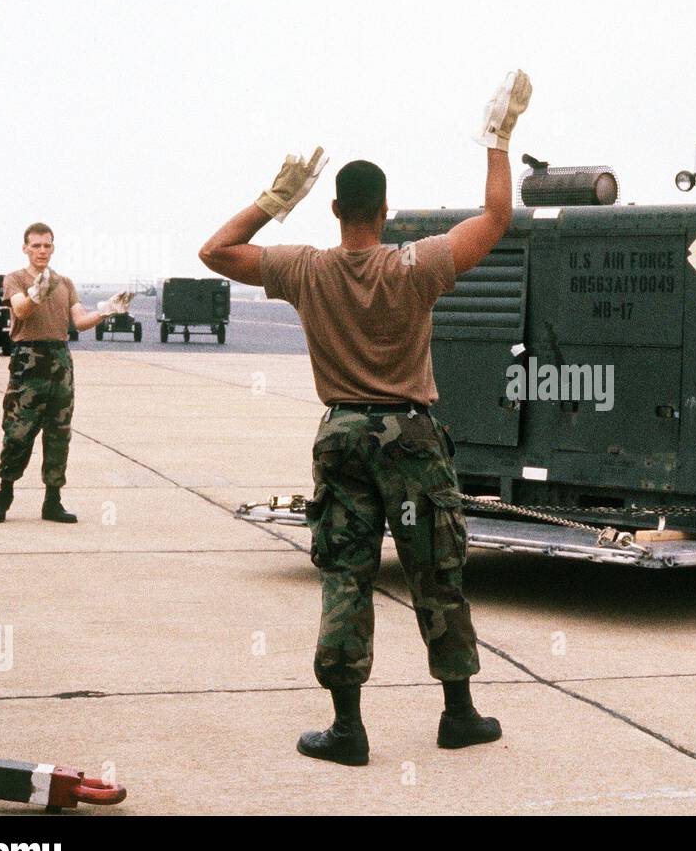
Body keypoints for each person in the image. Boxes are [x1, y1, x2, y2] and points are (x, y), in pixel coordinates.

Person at [198, 70, 532, 766]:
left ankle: (347, 728)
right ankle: (459, 713)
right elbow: (497, 219)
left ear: (336, 212)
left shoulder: (308, 268)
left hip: (342, 435)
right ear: (384, 210)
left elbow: (215, 252)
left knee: (345, 575)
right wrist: (498, 138)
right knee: (436, 570)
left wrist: (271, 200)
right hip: (410, 435)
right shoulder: (416, 265)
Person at [0, 223, 130, 524]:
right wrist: (36, 294)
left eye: (47, 245)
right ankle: (4, 495)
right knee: (18, 432)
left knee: (58, 432)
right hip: (29, 359)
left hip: (60, 360)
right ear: (25, 248)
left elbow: (78, 322)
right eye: (36, 245)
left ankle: (53, 501)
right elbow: (21, 311)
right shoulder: (15, 279)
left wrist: (106, 312)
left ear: (53, 248)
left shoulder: (64, 282)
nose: (42, 251)